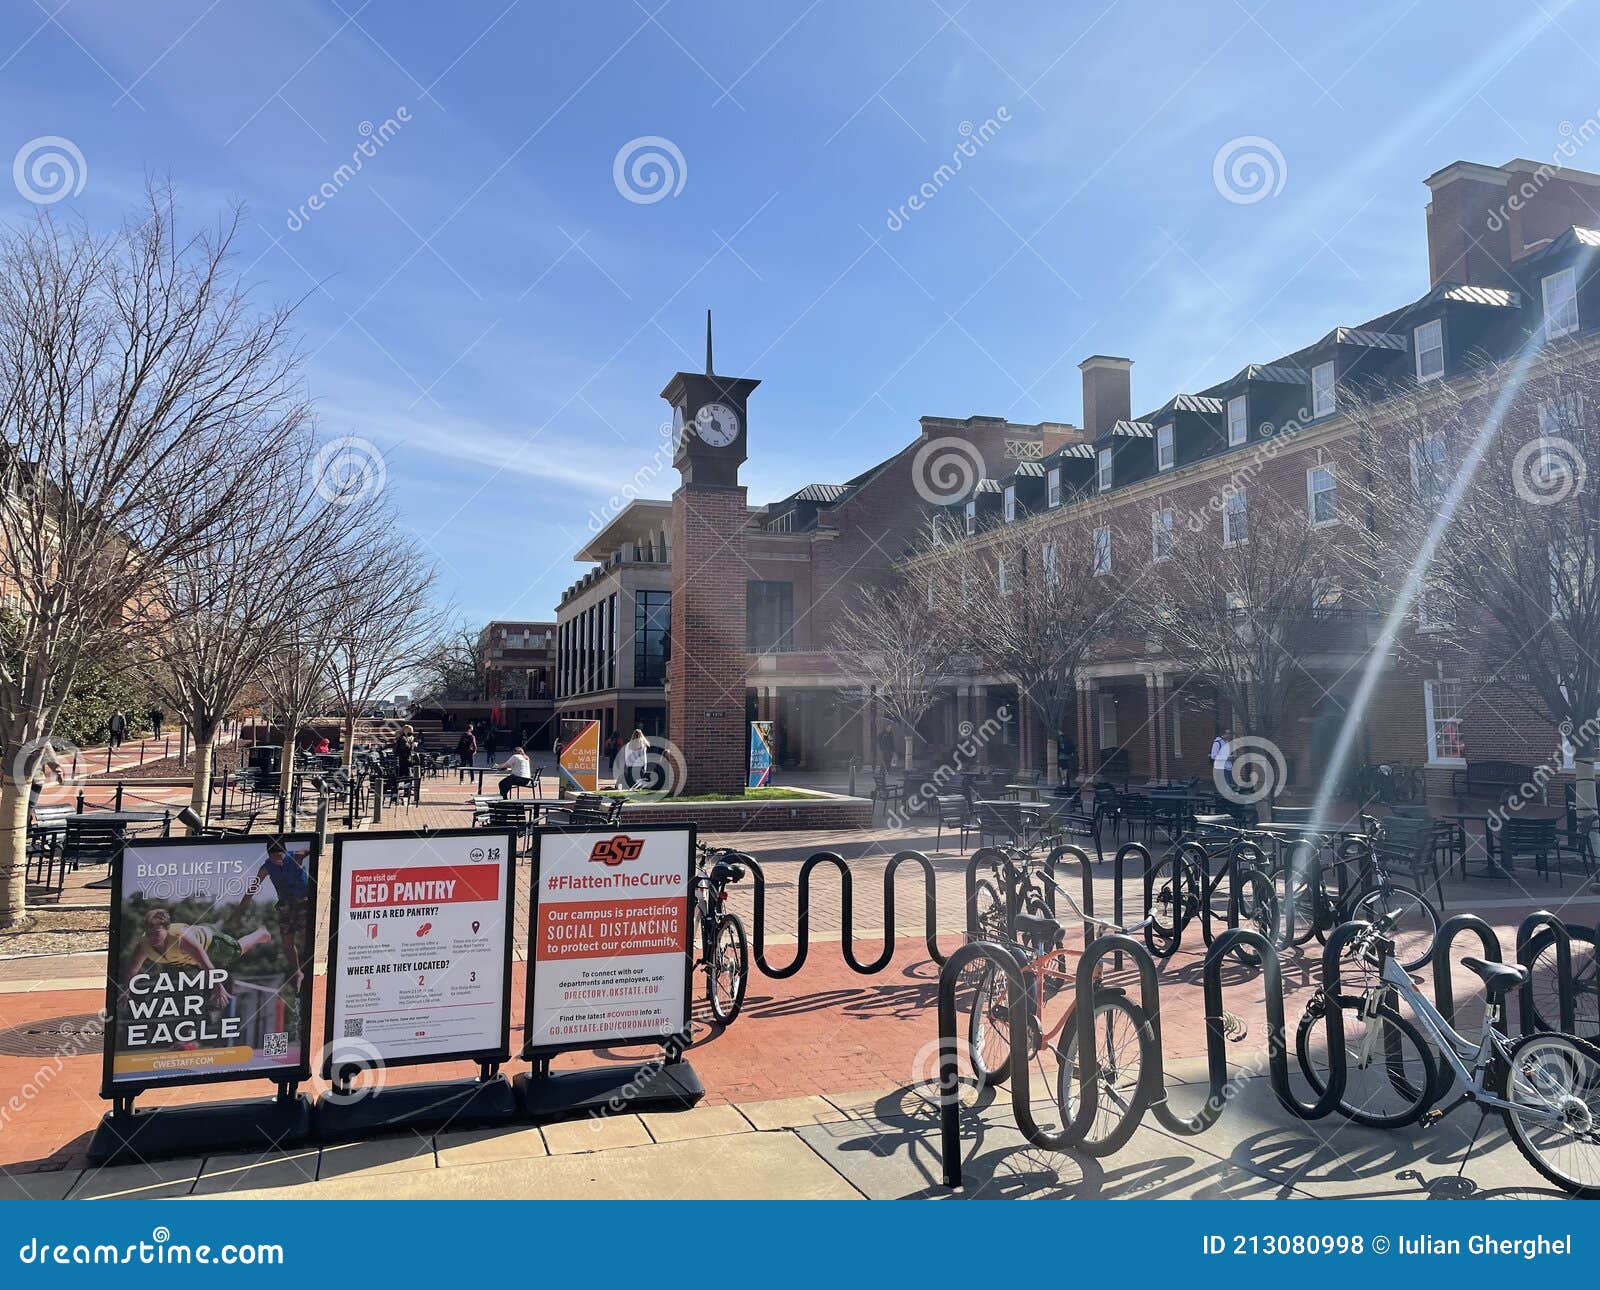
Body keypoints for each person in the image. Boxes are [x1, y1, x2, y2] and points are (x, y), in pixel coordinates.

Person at [123, 909, 274, 1010]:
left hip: (211, 943)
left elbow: (206, 964)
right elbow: (132, 971)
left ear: (167, 929)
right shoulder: (143, 945)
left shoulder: (181, 939)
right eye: (149, 934)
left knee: (236, 952)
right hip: (186, 958)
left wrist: (218, 986)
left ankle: (261, 933)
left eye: (157, 933)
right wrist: (125, 990)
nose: (153, 938)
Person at [239, 840, 312, 995]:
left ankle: (308, 966)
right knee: (287, 943)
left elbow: (315, 847)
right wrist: (241, 908)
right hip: (285, 904)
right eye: (274, 859)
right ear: (268, 856)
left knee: (304, 936)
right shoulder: (266, 867)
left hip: (303, 901)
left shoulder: (297, 856)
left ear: (285, 852)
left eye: (280, 858)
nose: (278, 862)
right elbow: (253, 887)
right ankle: (297, 972)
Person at [26, 740, 65, 826]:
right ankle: (25, 826)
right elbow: (50, 755)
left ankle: (26, 826)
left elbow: (50, 755)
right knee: (29, 805)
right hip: (32, 778)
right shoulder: (41, 738)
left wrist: (58, 771)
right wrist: (58, 772)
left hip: (33, 778)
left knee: (27, 805)